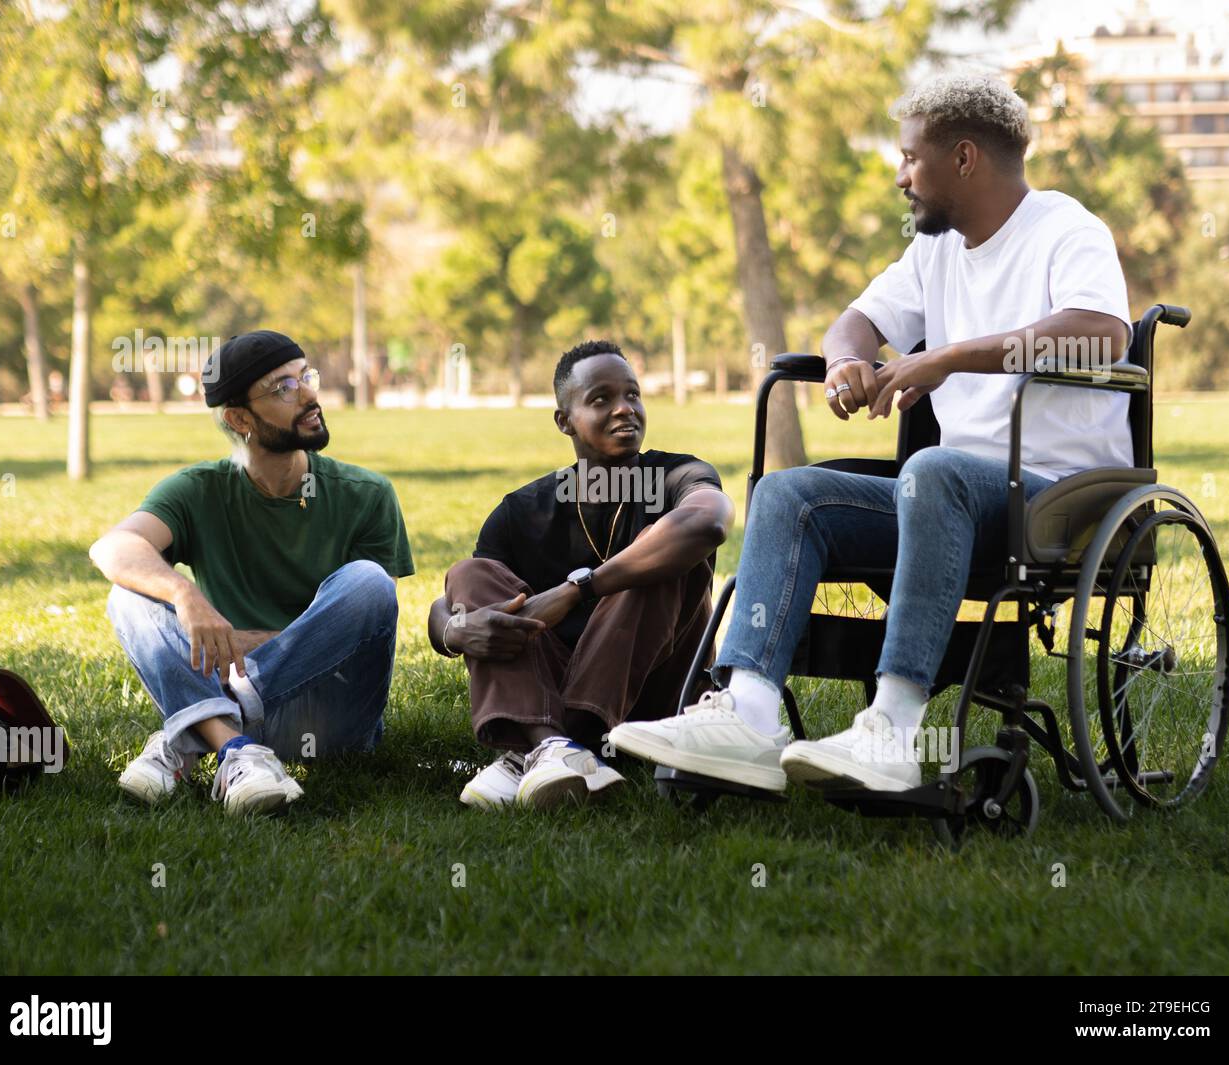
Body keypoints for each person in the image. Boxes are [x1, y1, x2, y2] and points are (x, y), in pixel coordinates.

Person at [610, 73, 1133, 795]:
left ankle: (892, 727)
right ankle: (751, 714)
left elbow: (1103, 334)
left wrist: (947, 356)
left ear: (965, 157)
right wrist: (849, 362)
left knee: (934, 468)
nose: (899, 177)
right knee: (794, 494)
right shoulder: (936, 252)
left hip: (1055, 496)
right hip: (946, 499)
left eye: (910, 158)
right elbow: (853, 322)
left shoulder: (1065, 229)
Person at [89, 330, 414, 815]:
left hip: (333, 716)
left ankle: (195, 734)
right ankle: (235, 748)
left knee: (367, 581)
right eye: (284, 387)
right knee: (128, 595)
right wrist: (185, 595)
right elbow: (112, 548)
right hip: (231, 701)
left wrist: (244, 647)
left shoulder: (366, 494)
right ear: (239, 418)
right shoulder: (200, 490)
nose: (309, 394)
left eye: (307, 376)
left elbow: (364, 624)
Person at [429, 340, 735, 809]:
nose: (624, 410)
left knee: (659, 547)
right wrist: (454, 629)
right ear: (563, 420)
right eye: (601, 399)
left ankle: (536, 746)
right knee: (470, 572)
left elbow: (708, 522)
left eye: (632, 395)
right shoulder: (522, 511)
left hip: (658, 695)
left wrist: (579, 588)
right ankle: (556, 749)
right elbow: (452, 604)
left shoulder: (675, 475)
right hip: (557, 679)